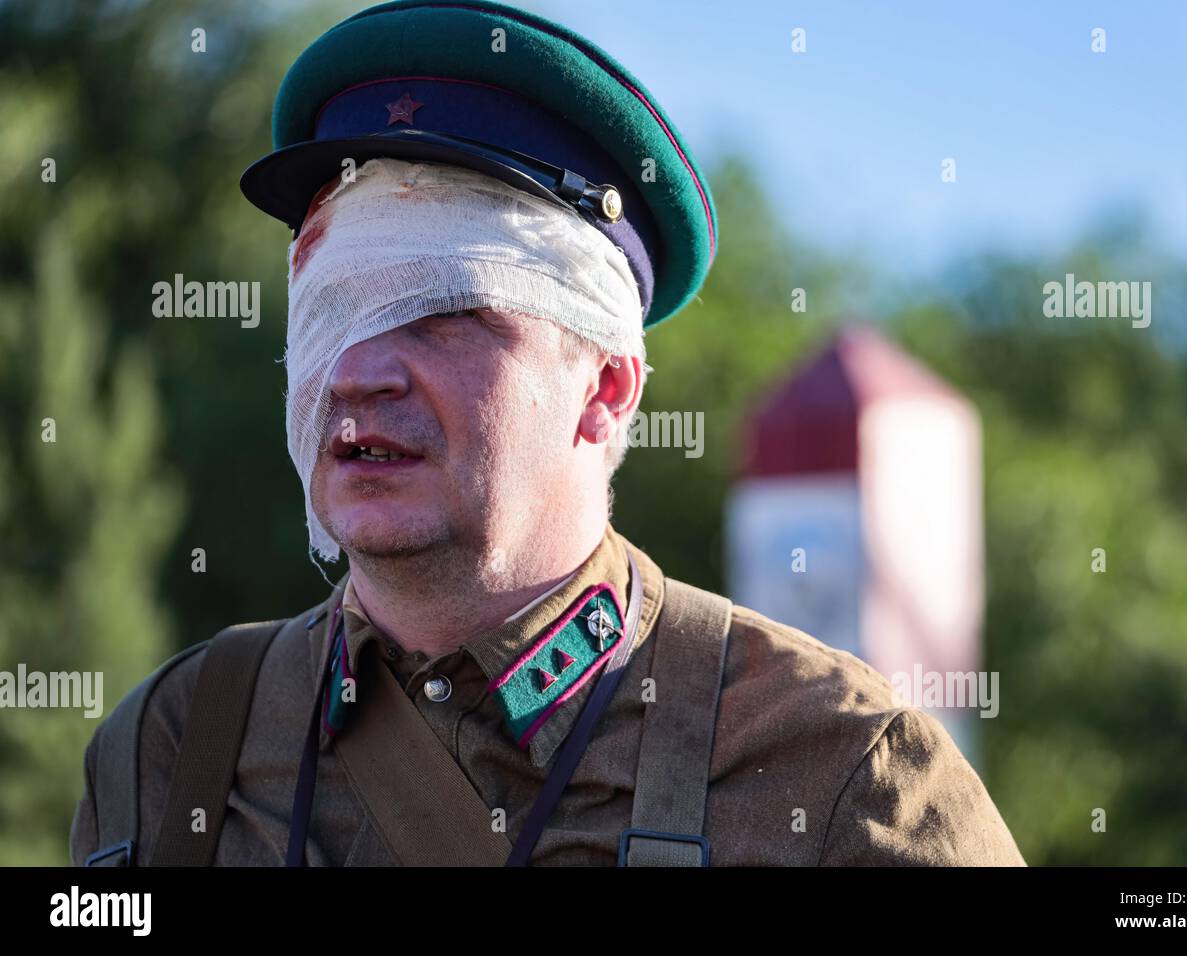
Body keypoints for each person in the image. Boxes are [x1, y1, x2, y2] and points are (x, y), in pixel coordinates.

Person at [70, 0, 1025, 867]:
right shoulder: (172, 747)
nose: (358, 370)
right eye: (331, 312)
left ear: (606, 388)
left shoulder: (841, 777)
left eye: (441, 309)